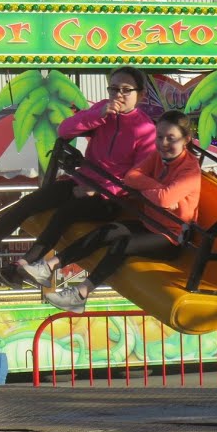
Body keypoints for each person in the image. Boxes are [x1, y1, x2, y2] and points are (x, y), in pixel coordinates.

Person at [0, 66, 156, 282]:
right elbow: (64, 130)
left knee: (64, 213)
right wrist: (98, 116)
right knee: (28, 203)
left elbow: (137, 177)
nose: (118, 95)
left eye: (126, 90)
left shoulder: (146, 129)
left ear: (141, 95)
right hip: (80, 180)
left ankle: (22, 265)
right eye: (113, 89)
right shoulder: (102, 110)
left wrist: (97, 190)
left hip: (111, 197)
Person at [32, 110, 202, 313]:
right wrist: (157, 188)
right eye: (159, 137)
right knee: (106, 231)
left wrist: (154, 191)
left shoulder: (190, 171)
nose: (163, 143)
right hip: (149, 223)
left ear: (186, 140)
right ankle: (49, 265)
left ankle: (80, 294)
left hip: (172, 236)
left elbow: (164, 199)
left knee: (123, 244)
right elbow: (131, 177)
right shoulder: (157, 157)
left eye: (171, 138)